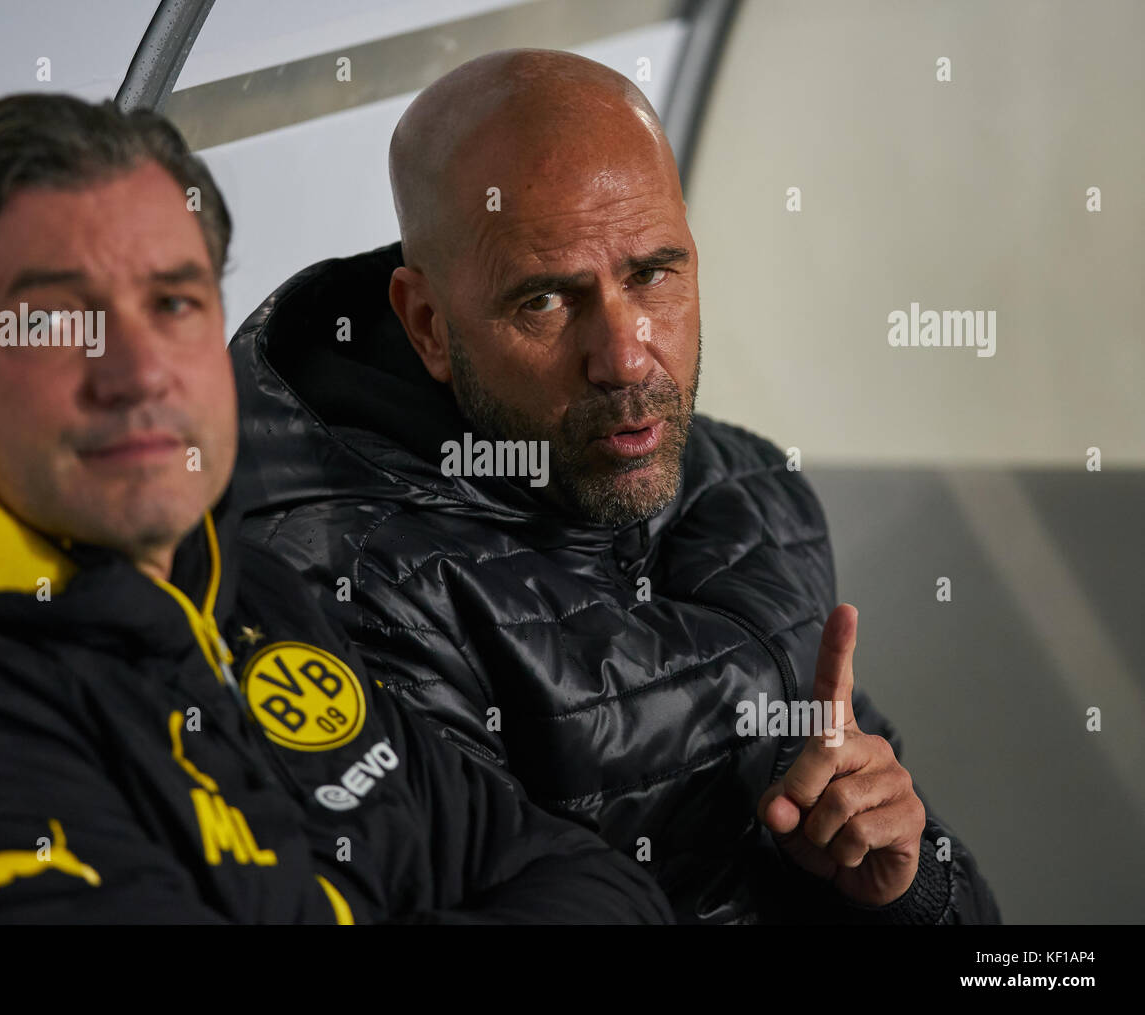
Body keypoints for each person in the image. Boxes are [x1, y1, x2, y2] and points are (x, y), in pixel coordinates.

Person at [0, 92, 673, 925]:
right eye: (58, 321)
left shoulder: (242, 591)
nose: (139, 370)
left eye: (173, 304)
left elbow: (595, 879)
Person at [229, 49, 1001, 923]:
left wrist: (906, 881)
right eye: (547, 302)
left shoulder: (742, 483)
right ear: (428, 325)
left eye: (652, 274)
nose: (627, 357)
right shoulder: (348, 591)